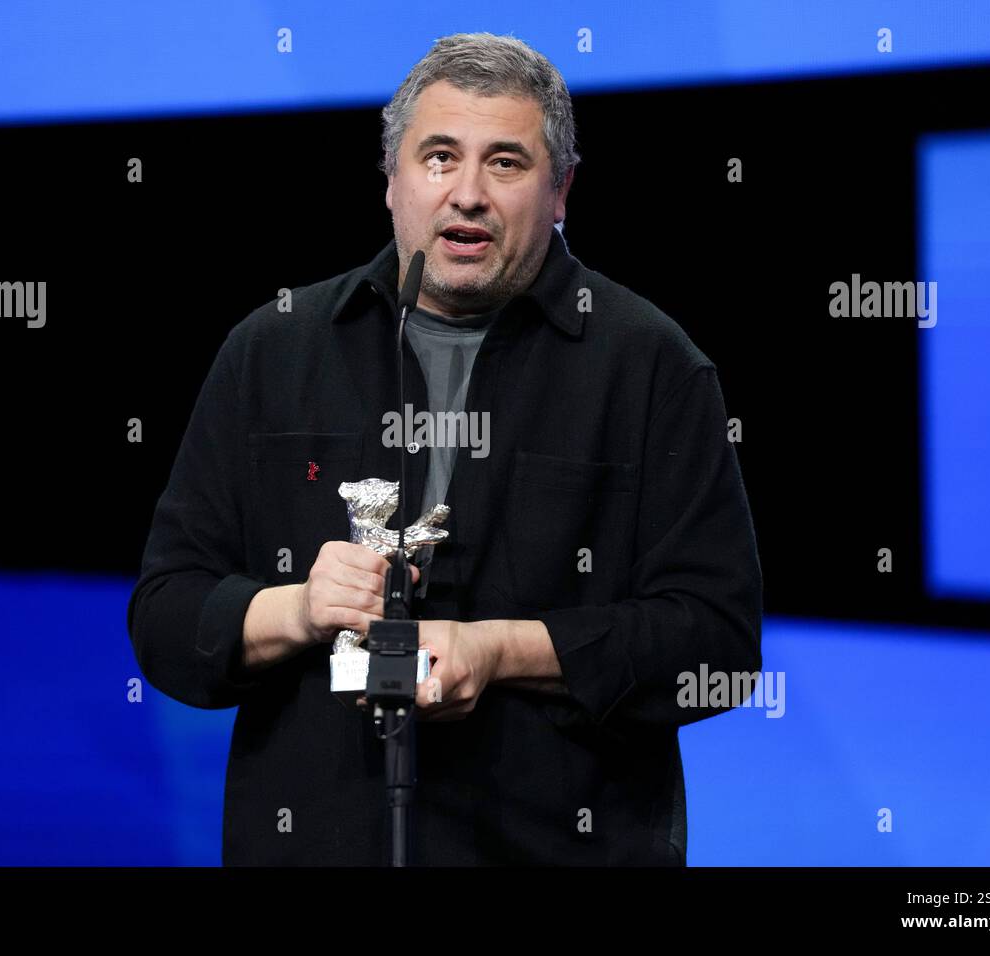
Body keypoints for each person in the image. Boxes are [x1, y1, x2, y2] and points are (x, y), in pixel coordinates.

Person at [127, 32, 762, 865]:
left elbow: (716, 643)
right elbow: (166, 616)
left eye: (506, 162)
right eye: (438, 158)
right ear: (391, 180)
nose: (467, 194)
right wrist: (302, 610)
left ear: (561, 189)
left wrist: (499, 651)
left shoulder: (651, 367)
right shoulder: (271, 351)